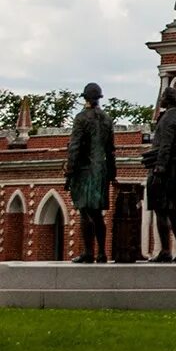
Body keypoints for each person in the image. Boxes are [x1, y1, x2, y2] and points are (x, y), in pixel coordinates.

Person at [65, 82, 117, 264]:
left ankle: (88, 252)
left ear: (86, 98)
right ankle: (102, 252)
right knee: (97, 213)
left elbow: (75, 146)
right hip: (101, 171)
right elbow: (111, 150)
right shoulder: (106, 119)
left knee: (85, 212)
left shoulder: (81, 118)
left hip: (85, 169)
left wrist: (70, 169)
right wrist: (112, 173)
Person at [144, 86, 176, 262]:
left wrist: (160, 167)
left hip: (167, 169)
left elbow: (165, 145)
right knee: (171, 212)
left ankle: (165, 250)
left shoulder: (169, 118)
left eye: (163, 96)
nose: (160, 99)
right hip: (174, 168)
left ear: (168, 99)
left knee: (161, 210)